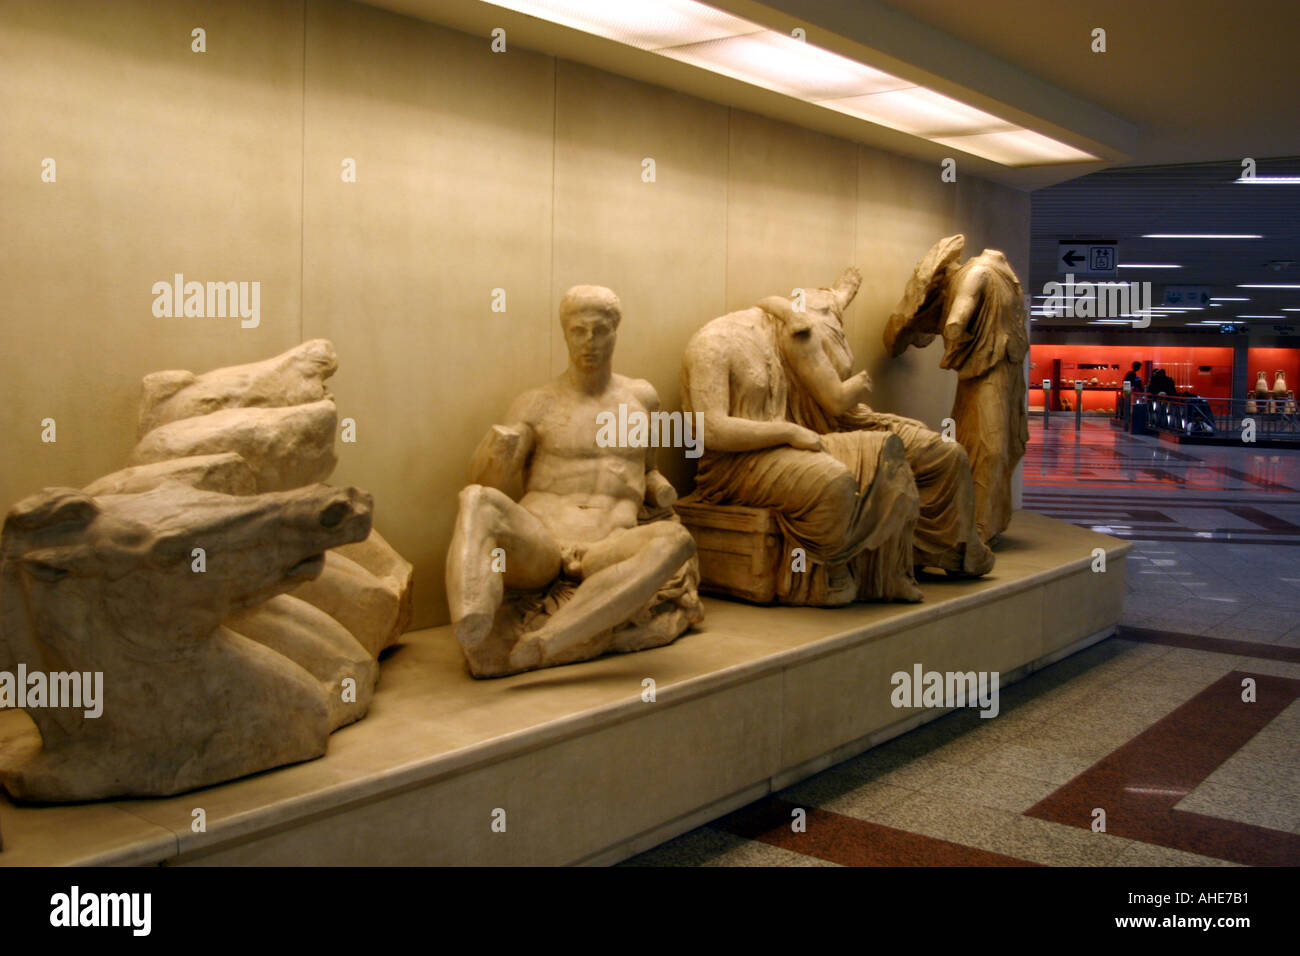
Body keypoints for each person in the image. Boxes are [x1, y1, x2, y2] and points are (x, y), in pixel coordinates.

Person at [446, 285, 699, 675]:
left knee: (677, 541)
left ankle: (551, 639)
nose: (589, 342)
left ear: (616, 331)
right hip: (544, 545)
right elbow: (490, 483)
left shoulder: (641, 398)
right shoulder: (537, 403)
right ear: (564, 333)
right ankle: (473, 620)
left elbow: (646, 469)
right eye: (578, 331)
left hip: (609, 546)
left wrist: (659, 486)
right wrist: (497, 451)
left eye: (600, 330)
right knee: (477, 499)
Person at [681, 280, 923, 606]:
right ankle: (812, 579)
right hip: (733, 465)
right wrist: (788, 433)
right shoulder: (712, 345)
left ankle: (885, 575)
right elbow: (711, 430)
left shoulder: (781, 337)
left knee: (888, 451)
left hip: (782, 449)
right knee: (834, 481)